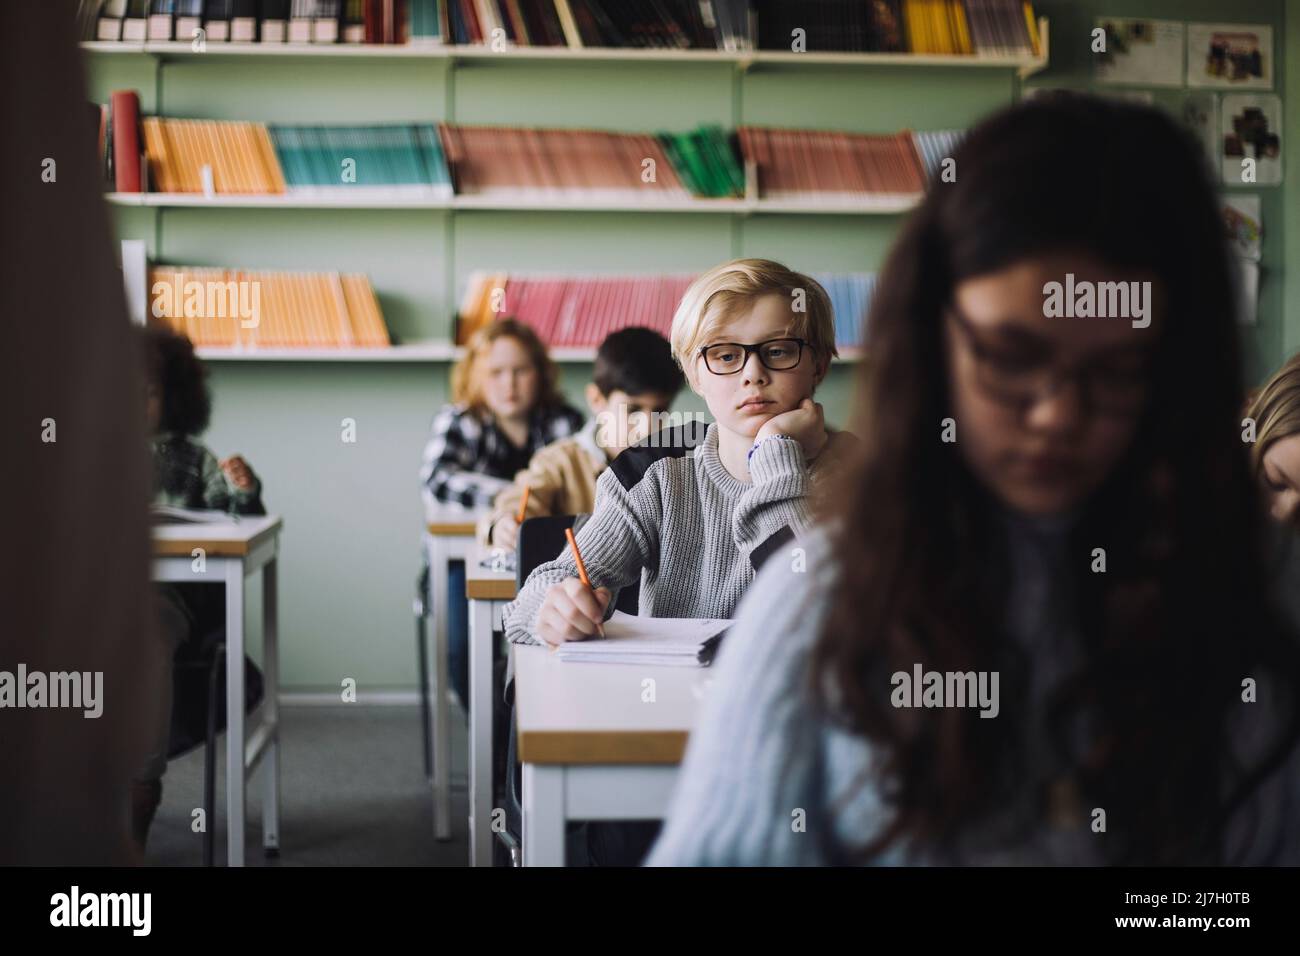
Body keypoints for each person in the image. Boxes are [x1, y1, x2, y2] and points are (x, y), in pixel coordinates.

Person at [648, 93, 1300, 866]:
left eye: (1120, 370)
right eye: (1010, 359)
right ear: (931, 351)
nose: (1057, 414)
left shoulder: (1272, 590)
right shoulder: (822, 608)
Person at [134, 326, 267, 849]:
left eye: (144, 393)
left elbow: (239, 520)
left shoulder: (193, 459)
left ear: (172, 399)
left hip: (170, 598)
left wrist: (244, 490)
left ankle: (138, 791)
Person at [420, 318, 583, 707]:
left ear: (540, 374)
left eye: (520, 371)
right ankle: (491, 736)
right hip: (463, 562)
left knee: (552, 641)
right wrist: (509, 499)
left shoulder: (564, 421)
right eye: (495, 373)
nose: (508, 384)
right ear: (475, 377)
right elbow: (437, 479)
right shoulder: (460, 422)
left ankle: (533, 729)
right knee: (463, 651)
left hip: (547, 561)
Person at [482, 326, 684, 551]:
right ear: (597, 400)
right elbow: (522, 498)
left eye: (659, 410)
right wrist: (502, 524)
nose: (648, 427)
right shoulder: (559, 461)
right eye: (633, 410)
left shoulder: (679, 465)